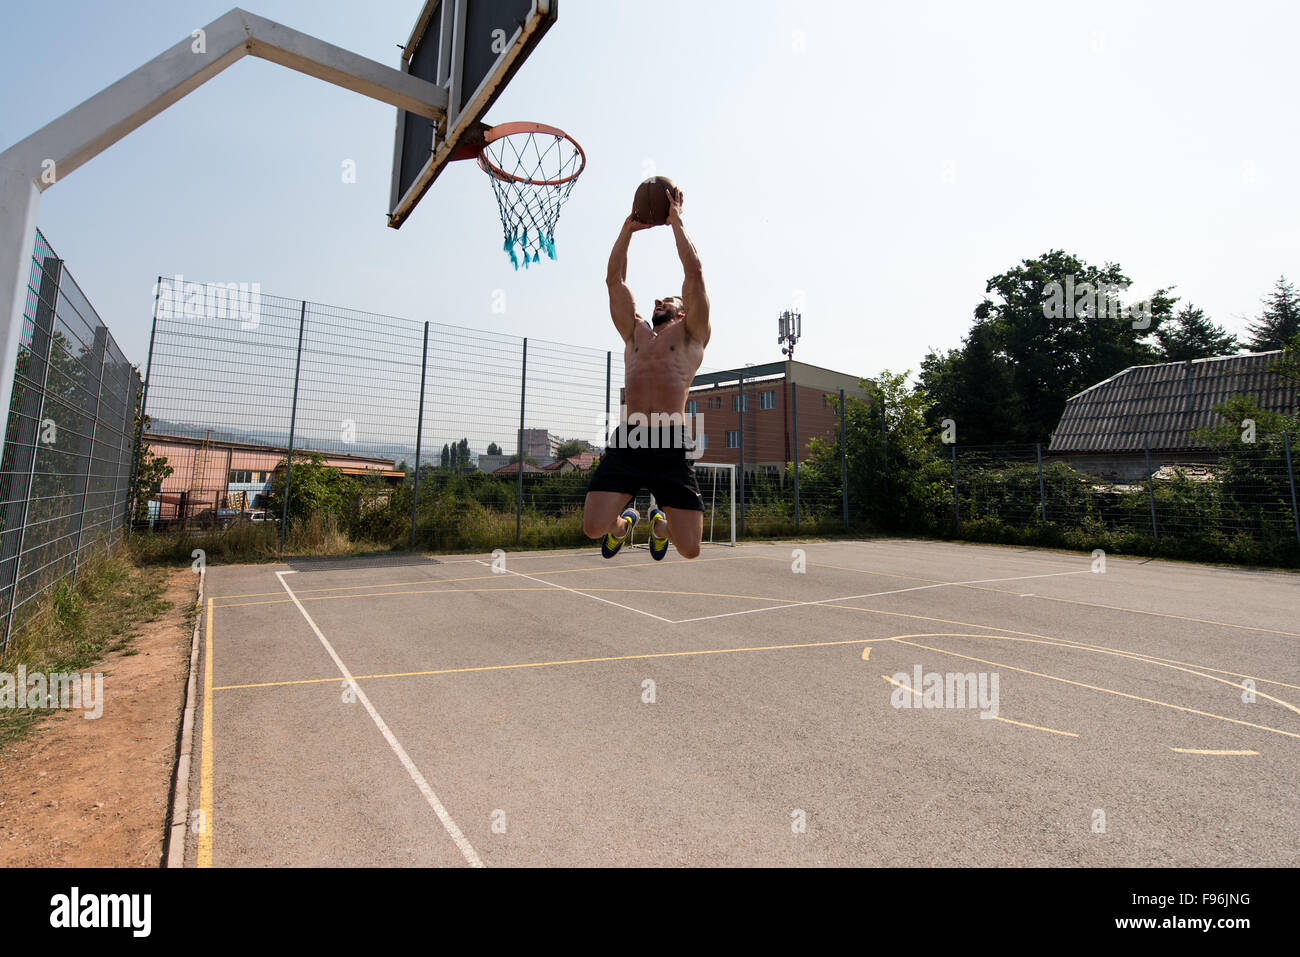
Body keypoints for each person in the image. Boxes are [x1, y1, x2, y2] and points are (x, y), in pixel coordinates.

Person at [582, 189, 710, 560]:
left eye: (667, 300)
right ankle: (625, 523)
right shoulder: (635, 333)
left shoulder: (692, 335)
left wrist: (676, 222)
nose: (658, 302)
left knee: (690, 549)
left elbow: (694, 273)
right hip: (631, 437)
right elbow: (614, 281)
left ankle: (660, 525)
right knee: (593, 527)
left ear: (683, 312)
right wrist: (628, 229)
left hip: (670, 442)